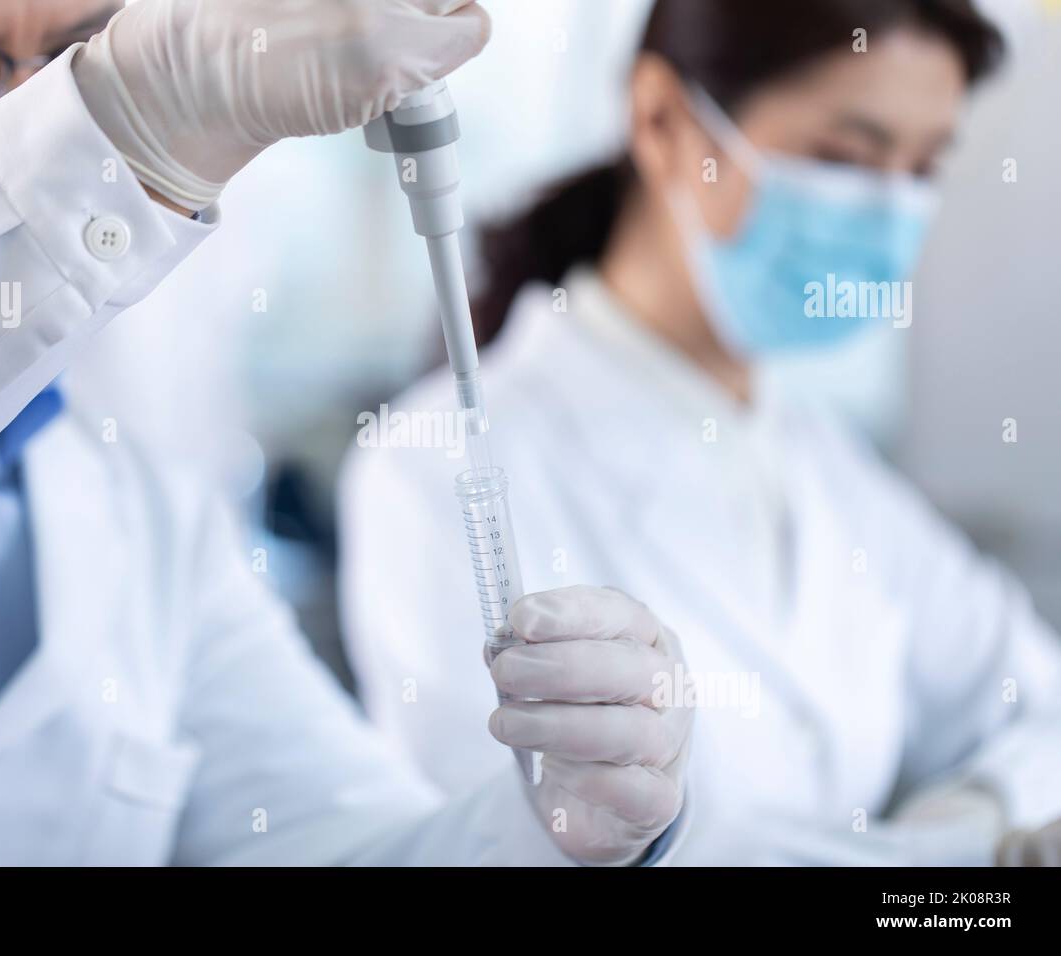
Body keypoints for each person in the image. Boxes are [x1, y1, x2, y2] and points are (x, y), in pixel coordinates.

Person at [0, 0, 693, 866]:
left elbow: (340, 846)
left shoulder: (144, 504)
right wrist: (130, 114)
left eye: (69, 65)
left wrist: (554, 832)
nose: (20, 121)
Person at [338, 0, 1061, 866]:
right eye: (846, 157)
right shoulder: (429, 467)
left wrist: (978, 813)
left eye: (921, 169)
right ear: (664, 120)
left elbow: (1036, 702)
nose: (891, 212)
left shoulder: (820, 464)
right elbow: (508, 843)